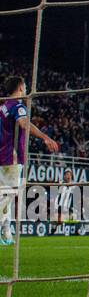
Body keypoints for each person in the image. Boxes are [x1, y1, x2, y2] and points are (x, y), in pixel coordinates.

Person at [0, 76, 59, 244]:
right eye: (24, 86)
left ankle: (6, 233)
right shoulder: (17, 106)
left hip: (2, 156)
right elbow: (24, 123)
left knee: (6, 197)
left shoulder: (3, 106)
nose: (25, 88)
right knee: (7, 196)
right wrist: (45, 137)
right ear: (20, 87)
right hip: (11, 157)